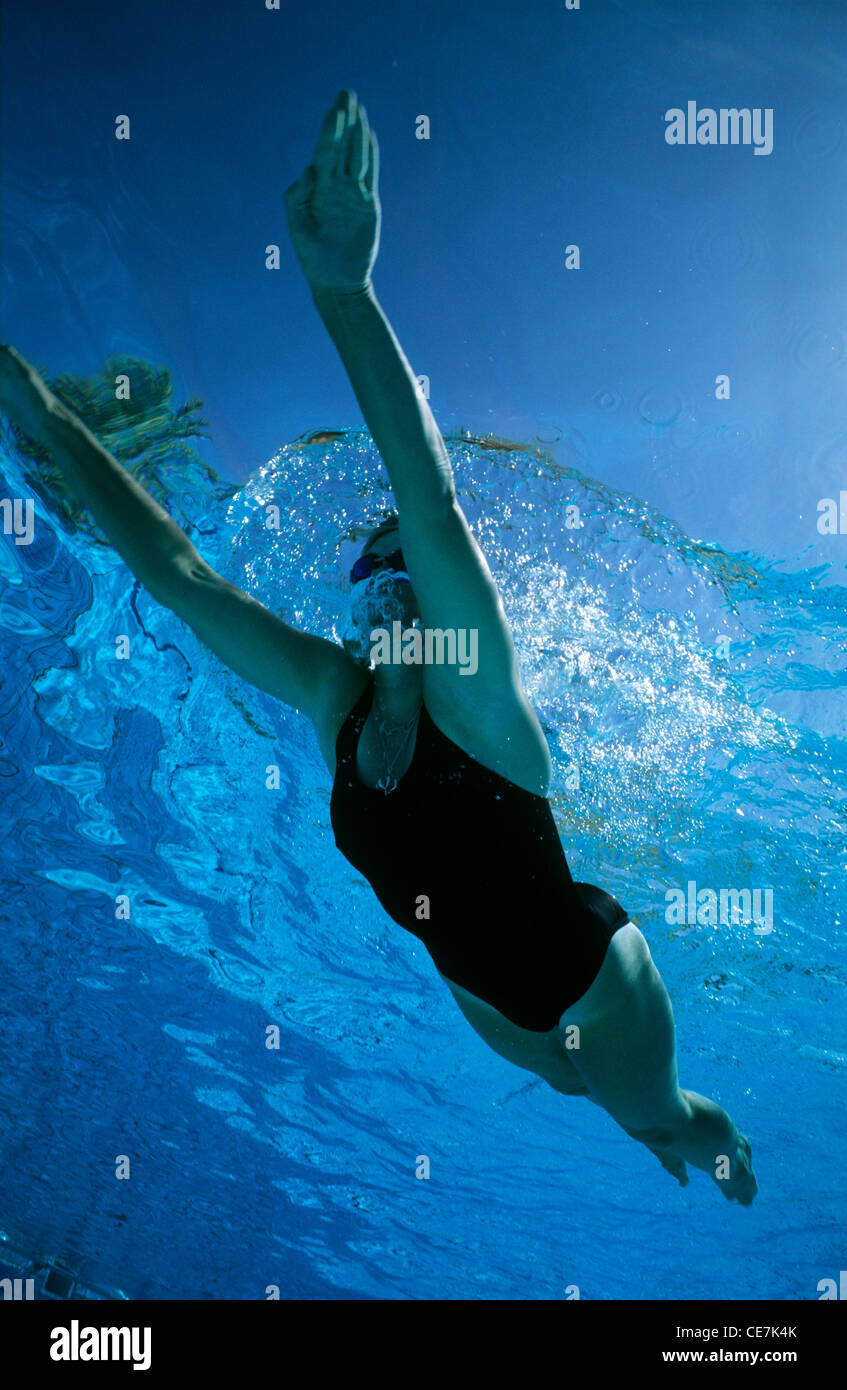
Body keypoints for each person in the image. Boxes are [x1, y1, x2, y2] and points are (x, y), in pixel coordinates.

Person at [0, 88, 756, 1204]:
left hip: (595, 979)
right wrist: (53, 429)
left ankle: (707, 1145)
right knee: (557, 1084)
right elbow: (178, 576)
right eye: (374, 569)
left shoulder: (485, 710)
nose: (395, 583)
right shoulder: (330, 692)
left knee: (650, 1118)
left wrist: (340, 290)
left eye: (412, 569)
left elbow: (433, 500)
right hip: (494, 1005)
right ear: (358, 601)